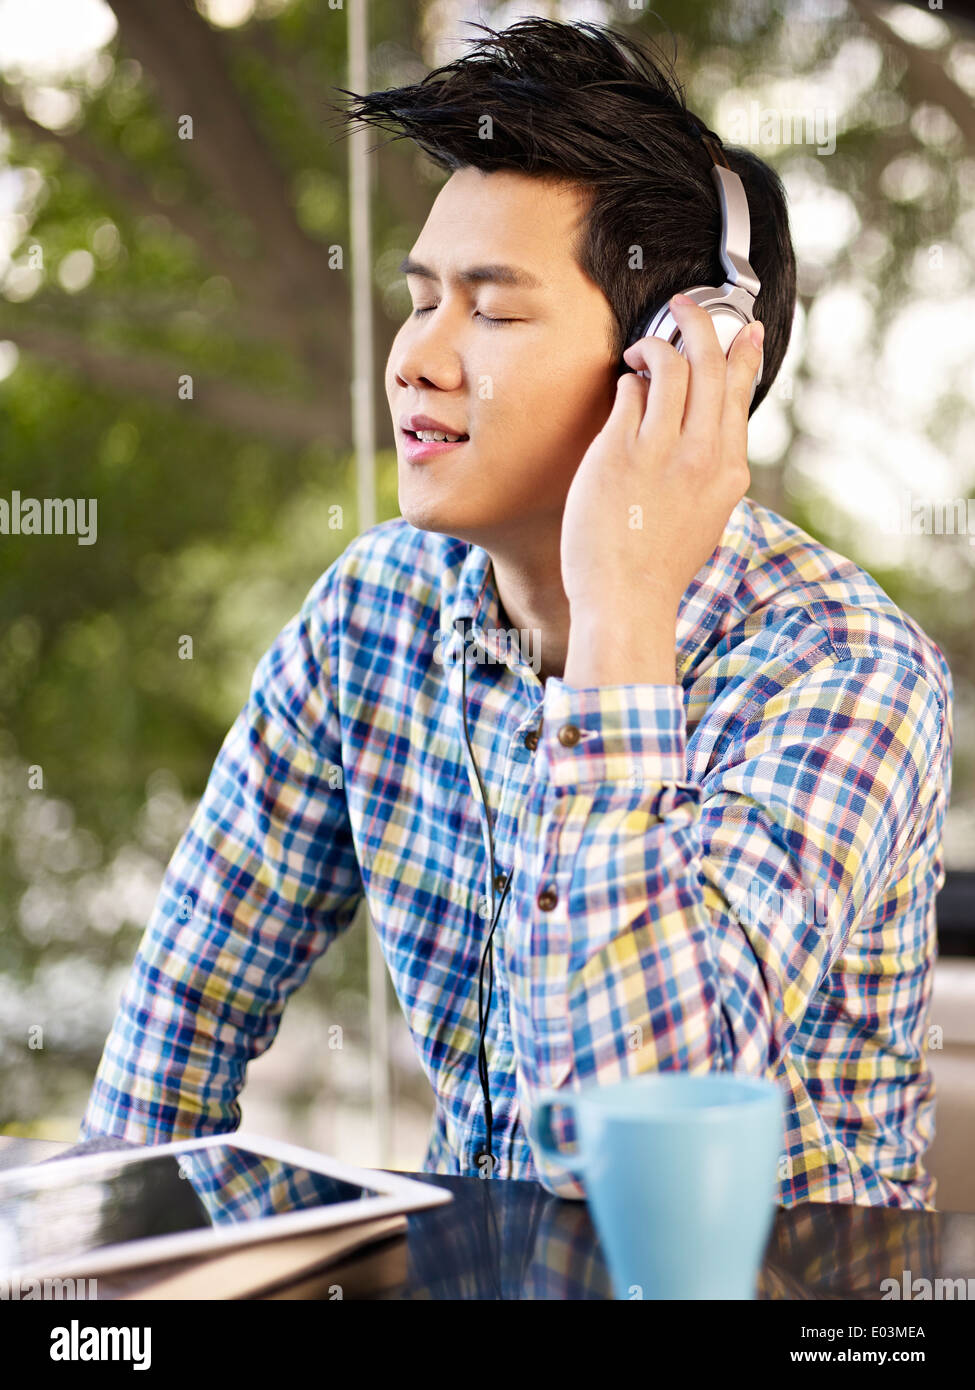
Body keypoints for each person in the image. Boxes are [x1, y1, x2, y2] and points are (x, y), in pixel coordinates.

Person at [79, 18, 953, 1208]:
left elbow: (639, 1158)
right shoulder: (375, 611)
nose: (415, 359)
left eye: (491, 312)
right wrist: (128, 1253)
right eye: (421, 299)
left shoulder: (842, 670)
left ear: (679, 361)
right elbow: (183, 1018)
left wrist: (622, 606)